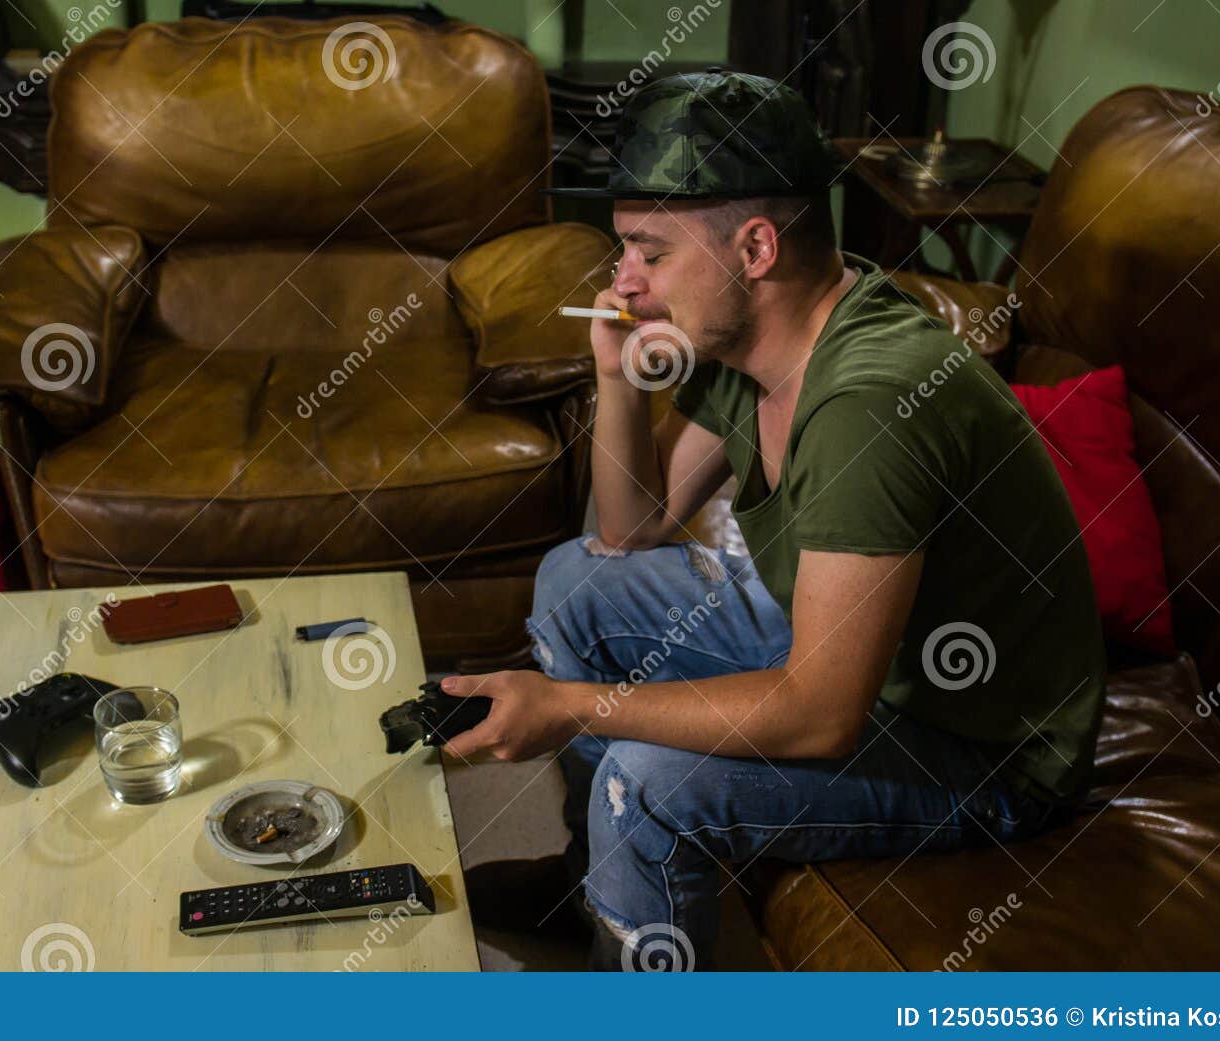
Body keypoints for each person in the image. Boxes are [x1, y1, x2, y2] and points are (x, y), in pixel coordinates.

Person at [443, 70, 1105, 971]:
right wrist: (614, 375)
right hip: (855, 651)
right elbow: (630, 532)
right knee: (577, 579)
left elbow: (822, 713)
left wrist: (569, 707)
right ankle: (583, 880)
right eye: (621, 252)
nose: (623, 283)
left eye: (648, 253)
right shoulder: (753, 338)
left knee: (647, 781)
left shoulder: (871, 400)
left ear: (754, 248)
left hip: (975, 745)